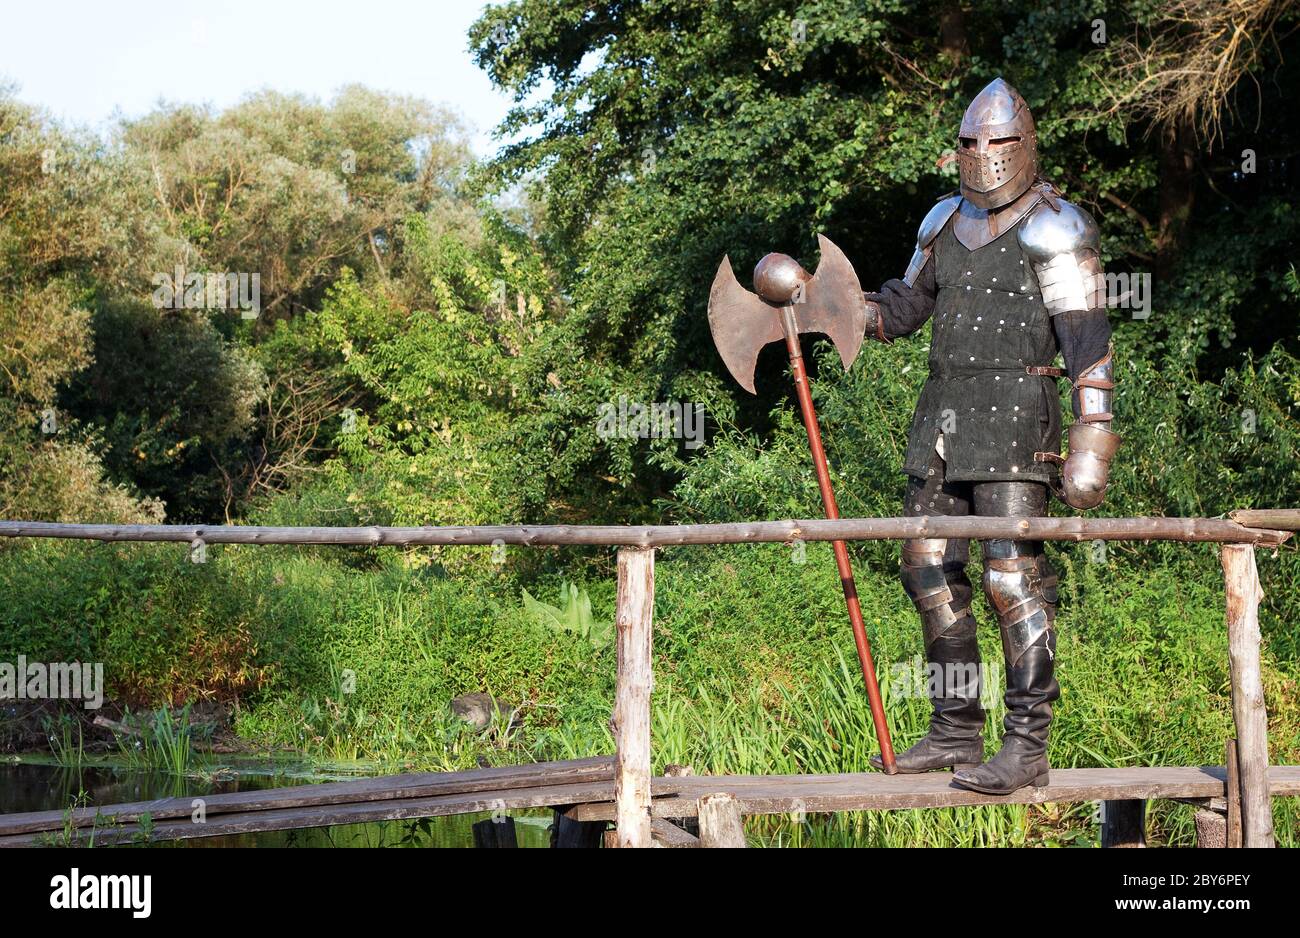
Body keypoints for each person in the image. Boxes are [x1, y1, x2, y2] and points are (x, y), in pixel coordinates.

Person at [863, 78, 1119, 795]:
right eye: (971, 141)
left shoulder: (1057, 227)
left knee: (1011, 579)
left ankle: (1027, 745)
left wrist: (1091, 435)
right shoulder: (942, 221)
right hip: (941, 418)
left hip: (1016, 418)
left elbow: (1087, 344)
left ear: (1024, 145)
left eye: (998, 141)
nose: (984, 154)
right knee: (926, 567)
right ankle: (955, 726)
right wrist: (832, 307)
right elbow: (903, 310)